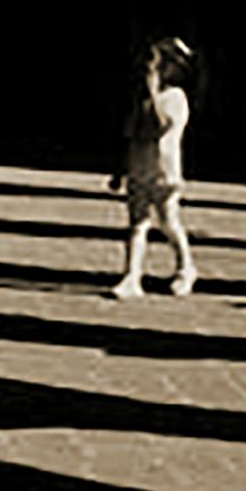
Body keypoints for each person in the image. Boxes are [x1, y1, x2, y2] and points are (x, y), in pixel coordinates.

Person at [109, 35, 198, 302]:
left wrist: (151, 91)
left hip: (164, 170)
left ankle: (186, 267)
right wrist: (120, 169)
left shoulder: (176, 98)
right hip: (139, 168)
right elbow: (132, 134)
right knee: (137, 224)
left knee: (169, 222)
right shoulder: (143, 100)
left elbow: (159, 127)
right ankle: (131, 276)